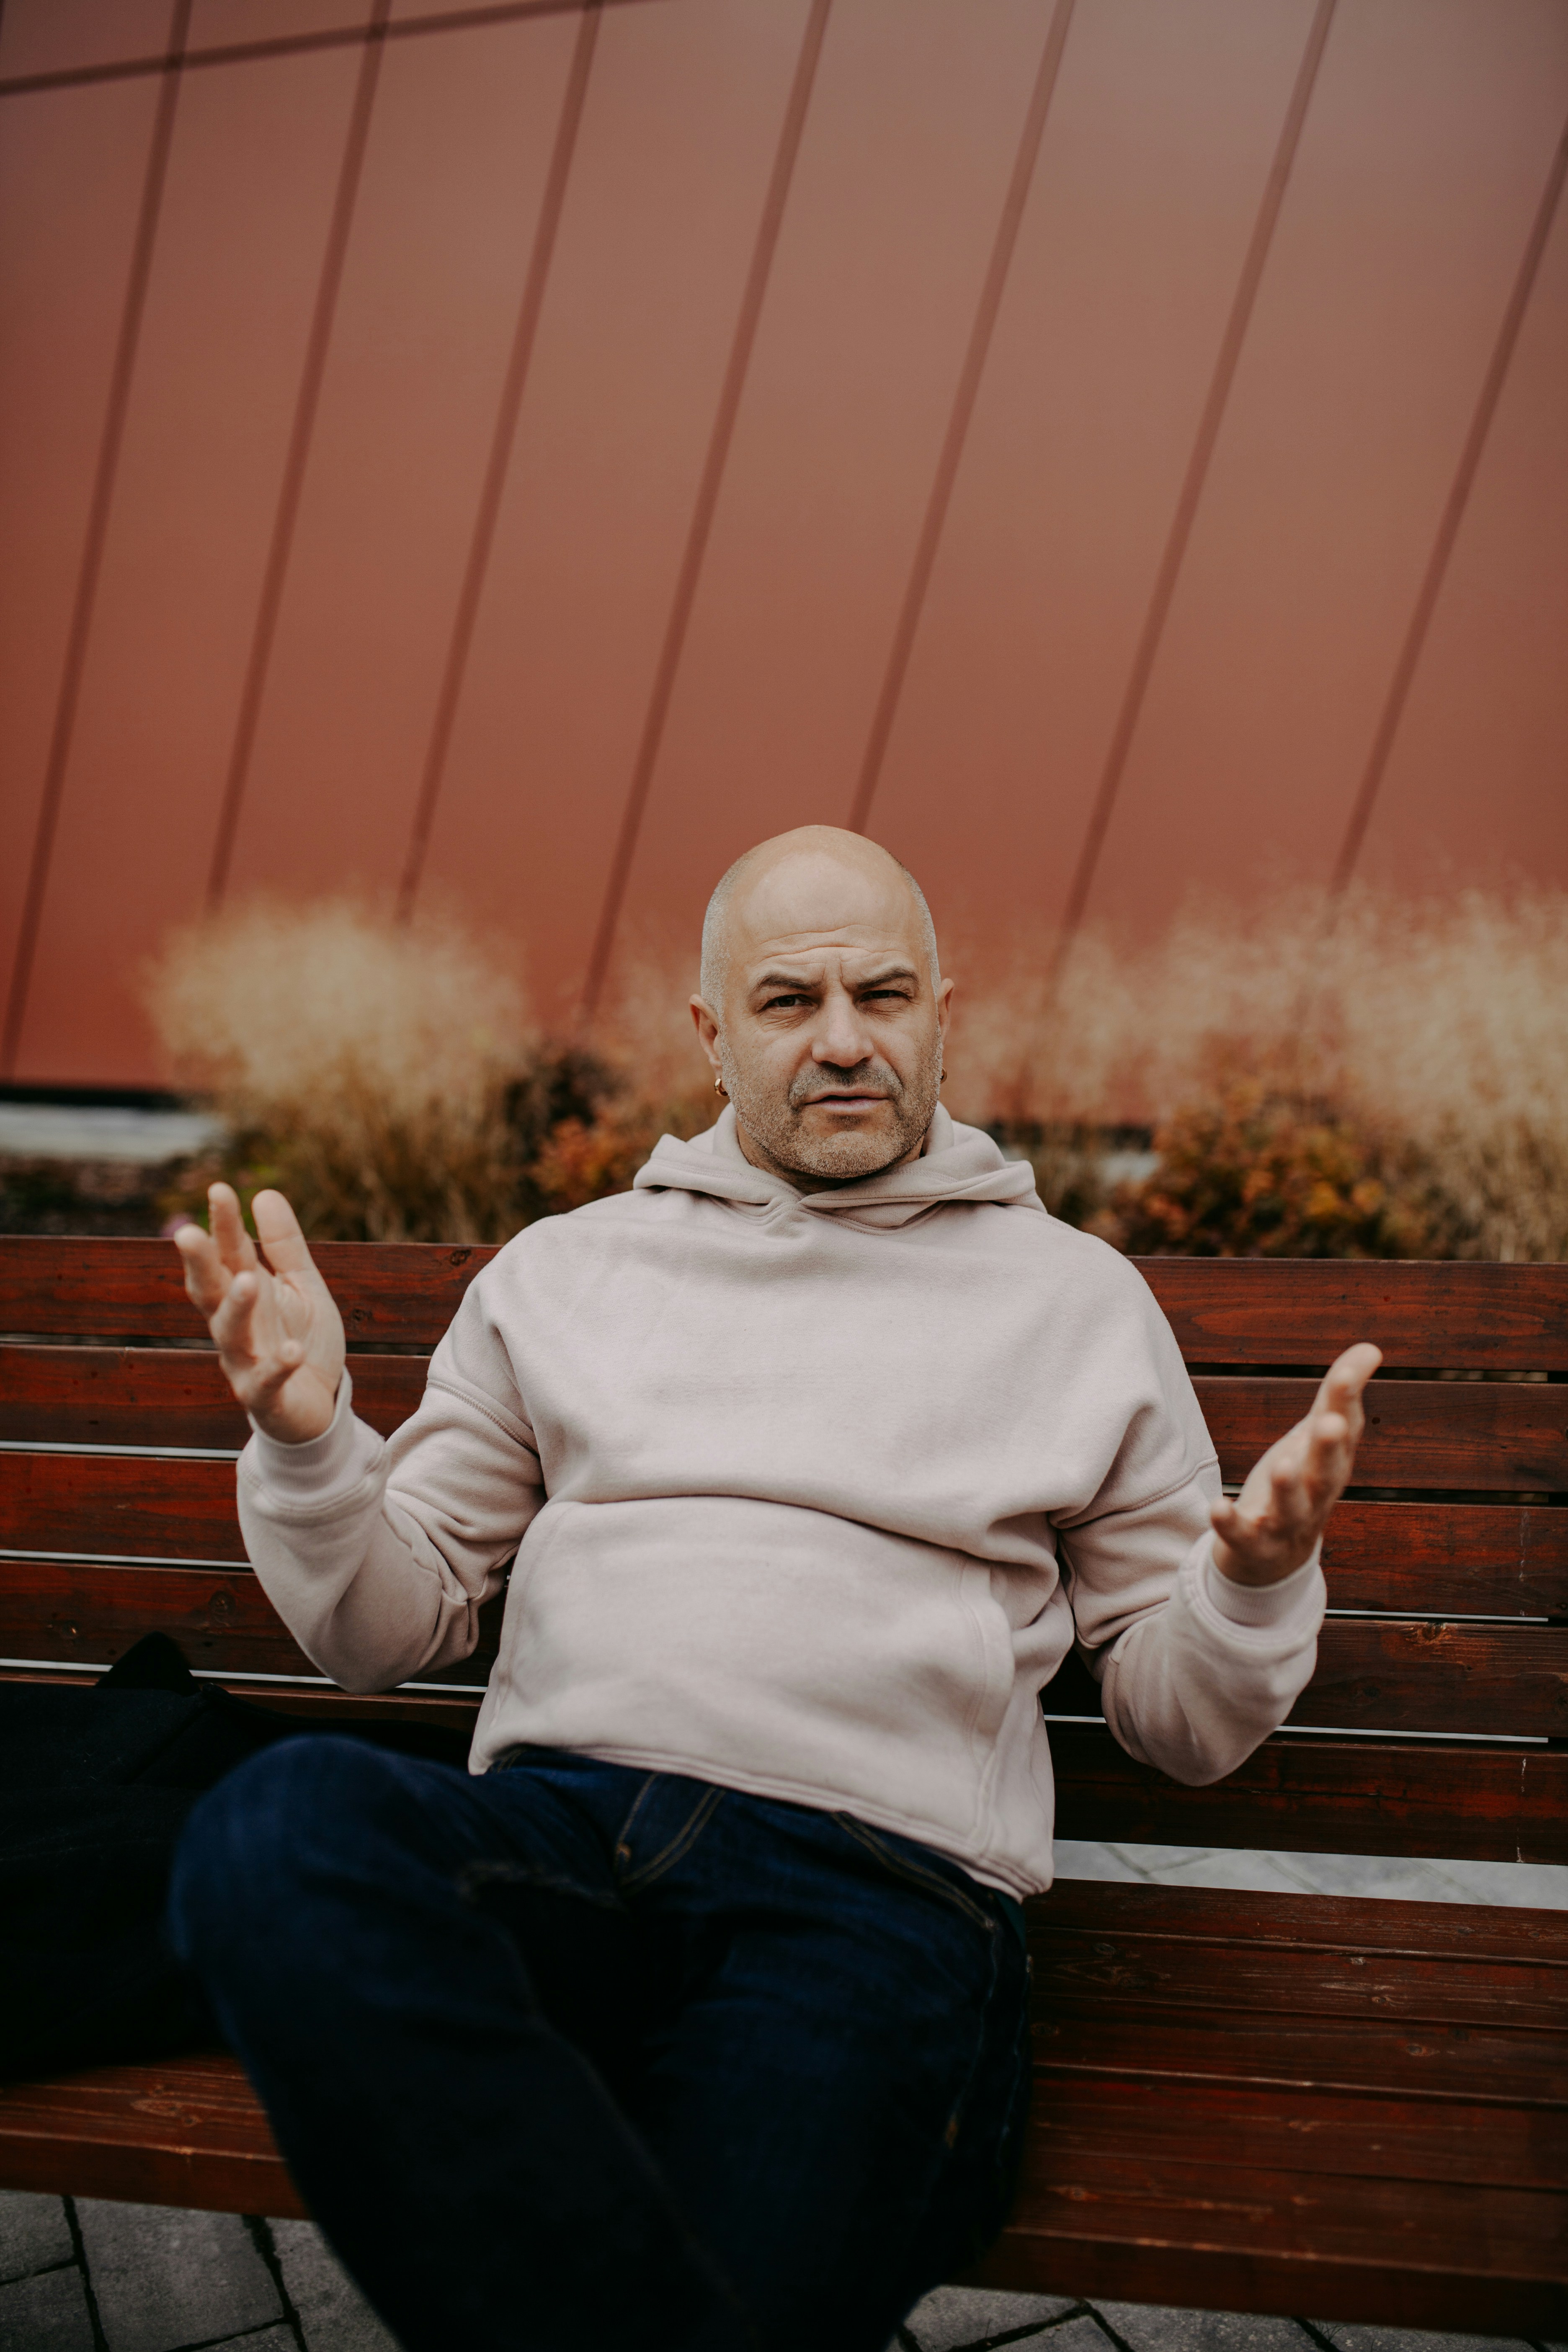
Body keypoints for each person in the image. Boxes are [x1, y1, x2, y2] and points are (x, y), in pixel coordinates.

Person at [168, 827, 1379, 2352]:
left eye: (883, 995)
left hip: (877, 1898)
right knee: (272, 1831)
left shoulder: (1077, 1304)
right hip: (564, 1848)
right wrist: (307, 1446)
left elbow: (1179, 1722)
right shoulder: (564, 1275)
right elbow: (381, 1632)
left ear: (946, 1008)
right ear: (710, 1033)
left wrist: (1253, 1587)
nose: (845, 1041)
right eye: (788, 1000)